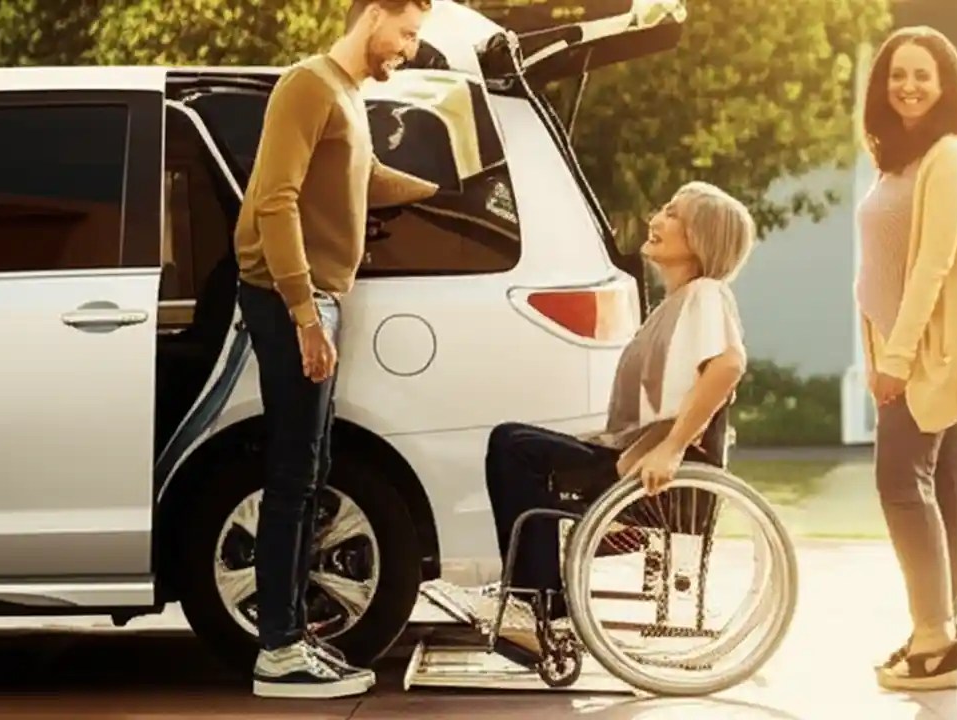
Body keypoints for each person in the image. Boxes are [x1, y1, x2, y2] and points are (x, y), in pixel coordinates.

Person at [427, 181, 754, 656]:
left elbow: (728, 365)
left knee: (514, 446)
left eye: (672, 214)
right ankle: (537, 604)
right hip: (630, 458)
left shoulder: (706, 294)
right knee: (518, 446)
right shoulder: (677, 305)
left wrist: (673, 447)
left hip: (653, 472)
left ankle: (536, 606)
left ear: (702, 238)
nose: (655, 220)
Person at [234, 0, 440, 699]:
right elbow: (276, 202)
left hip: (321, 299)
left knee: (312, 472)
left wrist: (450, 191)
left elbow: (363, 178)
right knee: (293, 475)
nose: (409, 50)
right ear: (374, 14)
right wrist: (302, 313)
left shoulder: (348, 97)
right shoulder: (307, 85)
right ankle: (278, 650)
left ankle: (293, 639)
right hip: (292, 298)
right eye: (407, 34)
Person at [856, 26, 957, 692]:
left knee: (899, 482)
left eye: (922, 74)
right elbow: (880, 266)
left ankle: (934, 636)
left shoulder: (949, 156)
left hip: (929, 353)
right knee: (949, 483)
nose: (908, 86)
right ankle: (941, 629)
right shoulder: (897, 159)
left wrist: (897, 355)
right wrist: (875, 349)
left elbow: (932, 264)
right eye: (897, 74)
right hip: (901, 348)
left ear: (946, 83)